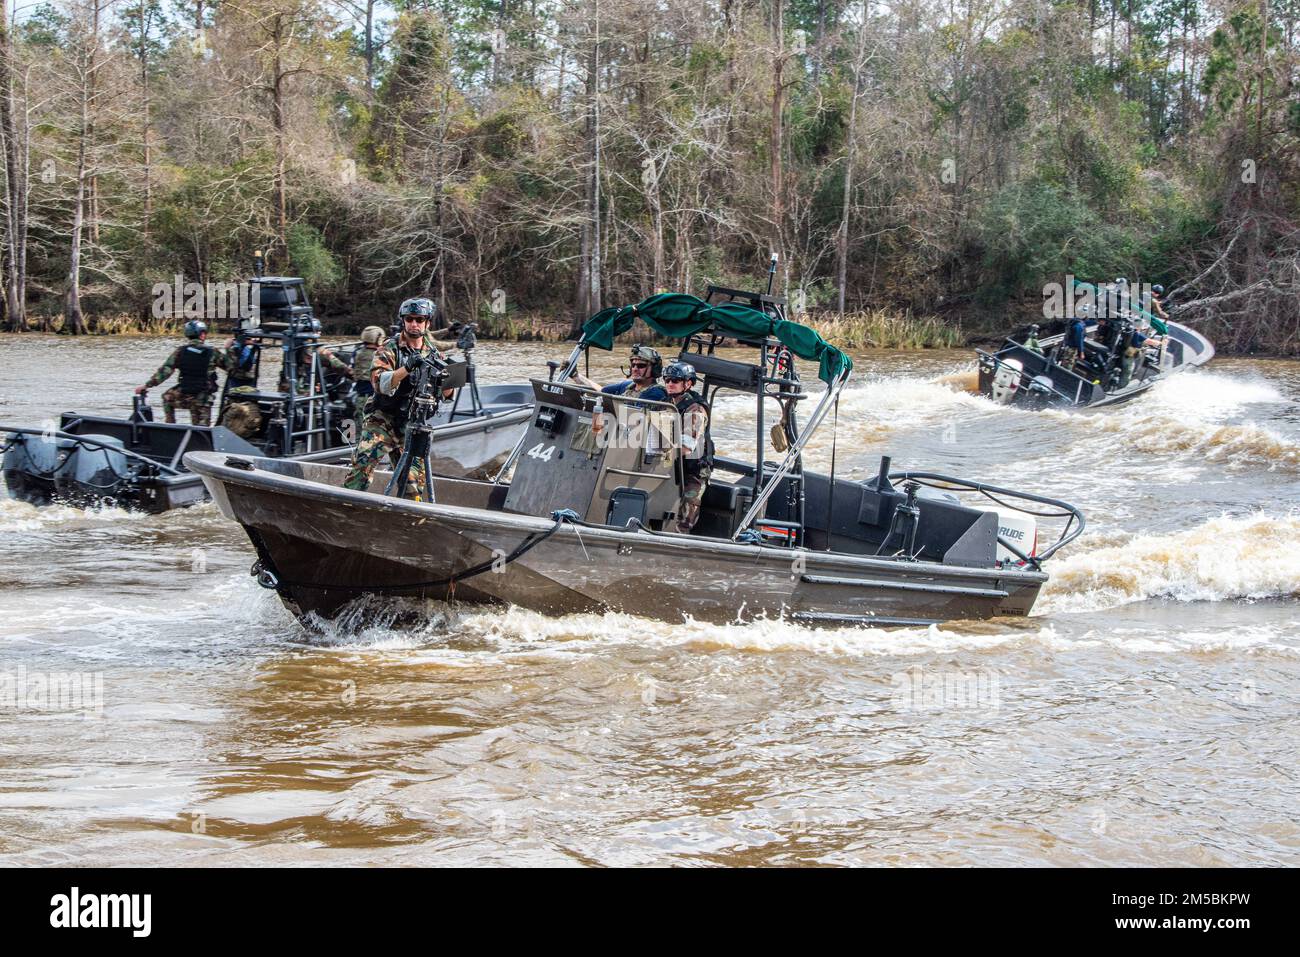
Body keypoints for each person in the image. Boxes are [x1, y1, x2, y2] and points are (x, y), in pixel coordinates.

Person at [342, 298, 449, 500]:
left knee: (413, 484)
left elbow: (446, 395)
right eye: (409, 319)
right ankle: (345, 508)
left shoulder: (434, 354)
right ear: (403, 321)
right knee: (362, 467)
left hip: (411, 424)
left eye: (419, 319)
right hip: (382, 420)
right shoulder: (388, 348)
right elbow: (379, 383)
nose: (414, 324)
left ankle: (409, 522)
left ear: (428, 323)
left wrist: (451, 378)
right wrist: (407, 368)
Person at [135, 320, 232, 426]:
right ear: (202, 335)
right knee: (202, 432)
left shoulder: (180, 352)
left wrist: (147, 385)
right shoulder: (213, 352)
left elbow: (165, 371)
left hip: (184, 394)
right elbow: (230, 367)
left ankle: (170, 427)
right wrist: (229, 349)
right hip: (202, 398)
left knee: (167, 397)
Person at [661, 361, 712, 534]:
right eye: (667, 379)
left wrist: (658, 454)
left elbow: (686, 447)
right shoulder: (667, 403)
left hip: (694, 471)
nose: (669, 383)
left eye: (675, 380)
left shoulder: (695, 409)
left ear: (688, 383)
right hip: (674, 466)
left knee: (683, 520)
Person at [573, 345, 663, 399]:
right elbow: (600, 391)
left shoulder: (656, 393)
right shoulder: (626, 386)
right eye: (633, 365)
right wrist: (575, 375)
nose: (635, 369)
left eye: (641, 366)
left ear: (654, 369)